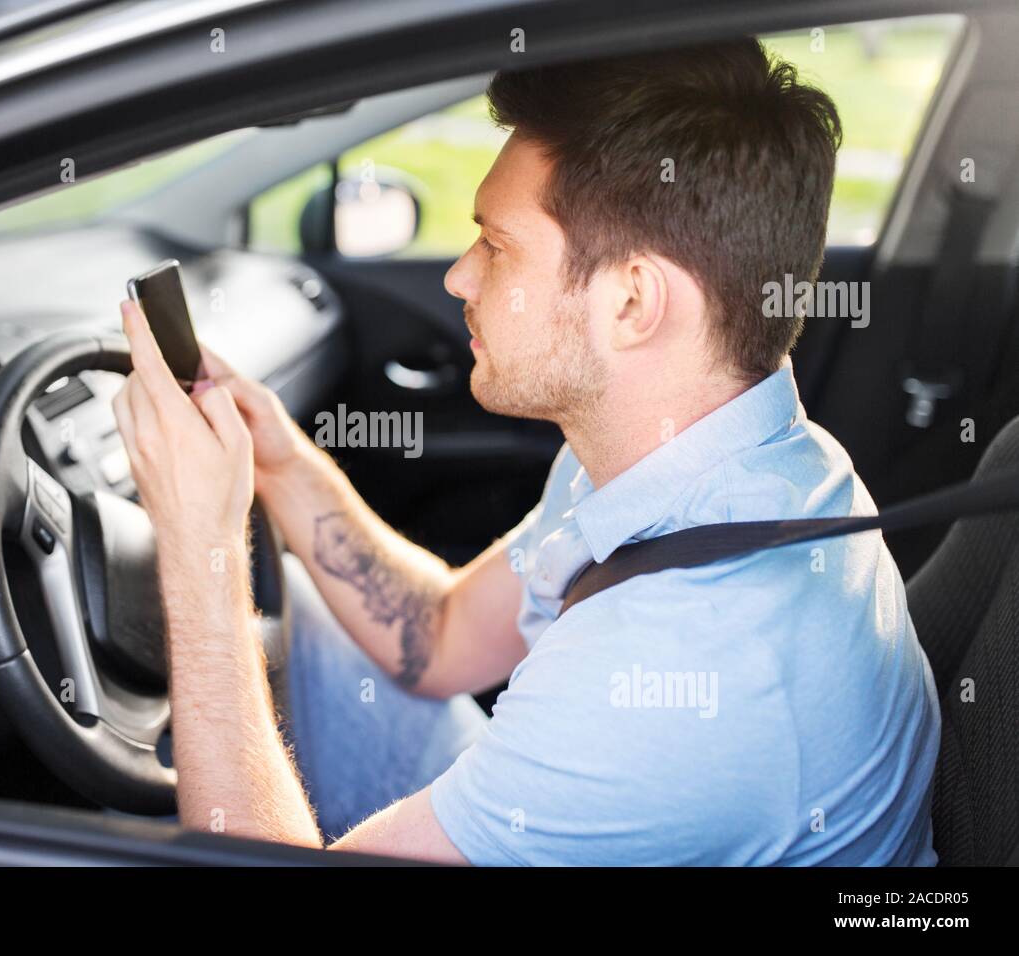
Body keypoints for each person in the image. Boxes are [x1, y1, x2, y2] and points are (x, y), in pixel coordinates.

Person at [111, 38, 940, 864]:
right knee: (297, 604)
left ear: (632, 301)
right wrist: (278, 461)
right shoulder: (711, 456)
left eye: (495, 245)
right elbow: (436, 639)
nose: (458, 278)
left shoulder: (683, 670)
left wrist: (200, 547)